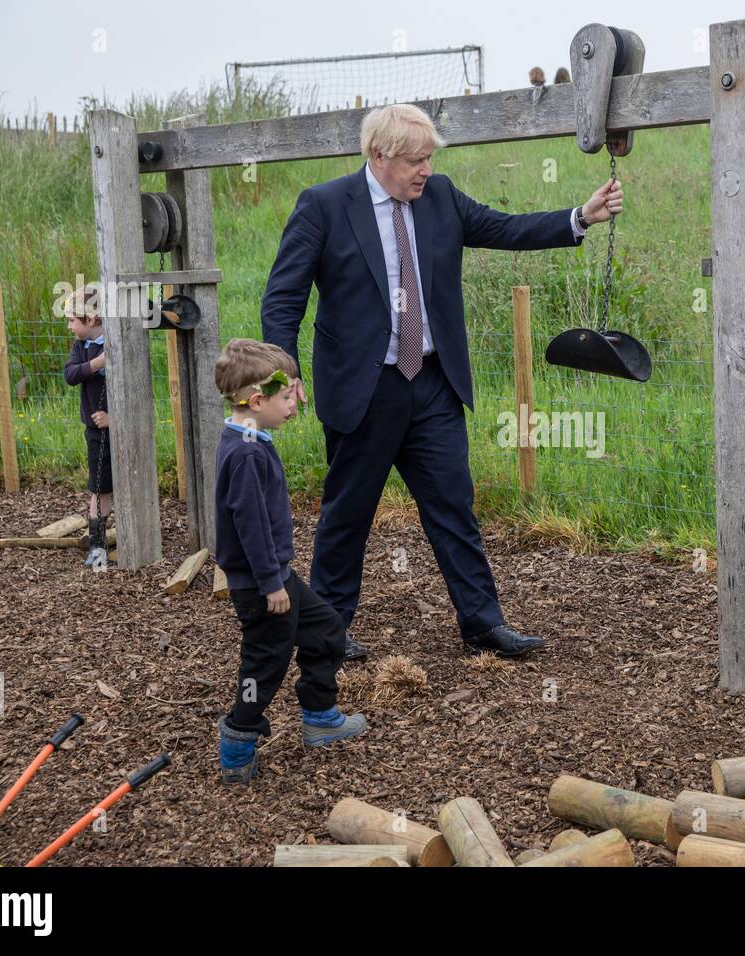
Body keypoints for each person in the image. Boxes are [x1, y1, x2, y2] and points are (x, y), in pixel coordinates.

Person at [261, 102, 623, 661]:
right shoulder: (326, 206)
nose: (425, 170)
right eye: (415, 161)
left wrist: (579, 216)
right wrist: (283, 372)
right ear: (378, 156)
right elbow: (283, 297)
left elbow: (505, 229)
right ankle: (327, 632)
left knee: (454, 507)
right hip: (364, 390)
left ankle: (482, 622)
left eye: (430, 158)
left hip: (432, 384)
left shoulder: (442, 196)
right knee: (347, 515)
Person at [213, 338, 367, 784]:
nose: (295, 404)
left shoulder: (247, 436)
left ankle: (319, 716)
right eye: (286, 397)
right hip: (263, 584)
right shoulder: (244, 453)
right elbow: (251, 525)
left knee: (326, 629)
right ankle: (238, 740)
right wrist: (270, 583)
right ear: (257, 400)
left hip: (275, 575)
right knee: (263, 665)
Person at [63, 287, 111, 566]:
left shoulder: (118, 344)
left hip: (124, 430)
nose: (70, 326)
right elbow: (70, 375)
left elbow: (135, 391)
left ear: (91, 319)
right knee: (100, 488)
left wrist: (113, 419)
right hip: (95, 432)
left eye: (72, 320)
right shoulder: (81, 348)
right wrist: (97, 364)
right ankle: (97, 546)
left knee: (129, 483)